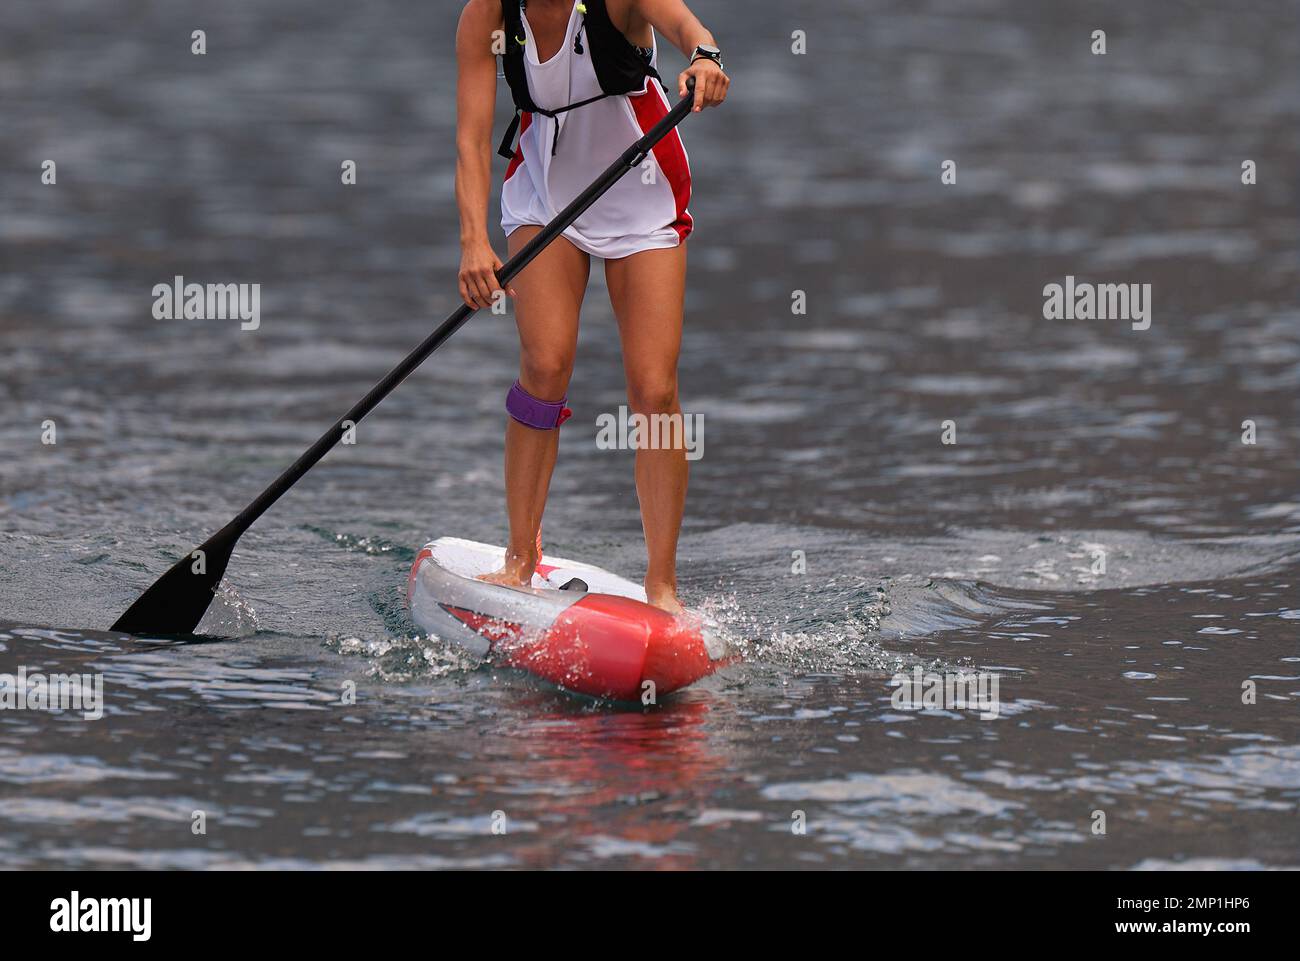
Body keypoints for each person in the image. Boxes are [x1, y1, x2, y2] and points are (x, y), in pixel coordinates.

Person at [454, 0, 728, 613]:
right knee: (545, 366)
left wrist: (705, 59)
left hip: (640, 182)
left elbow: (689, 29)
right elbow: (471, 141)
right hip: (544, 189)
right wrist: (474, 242)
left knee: (653, 388)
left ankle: (662, 587)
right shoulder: (488, 14)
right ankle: (520, 561)